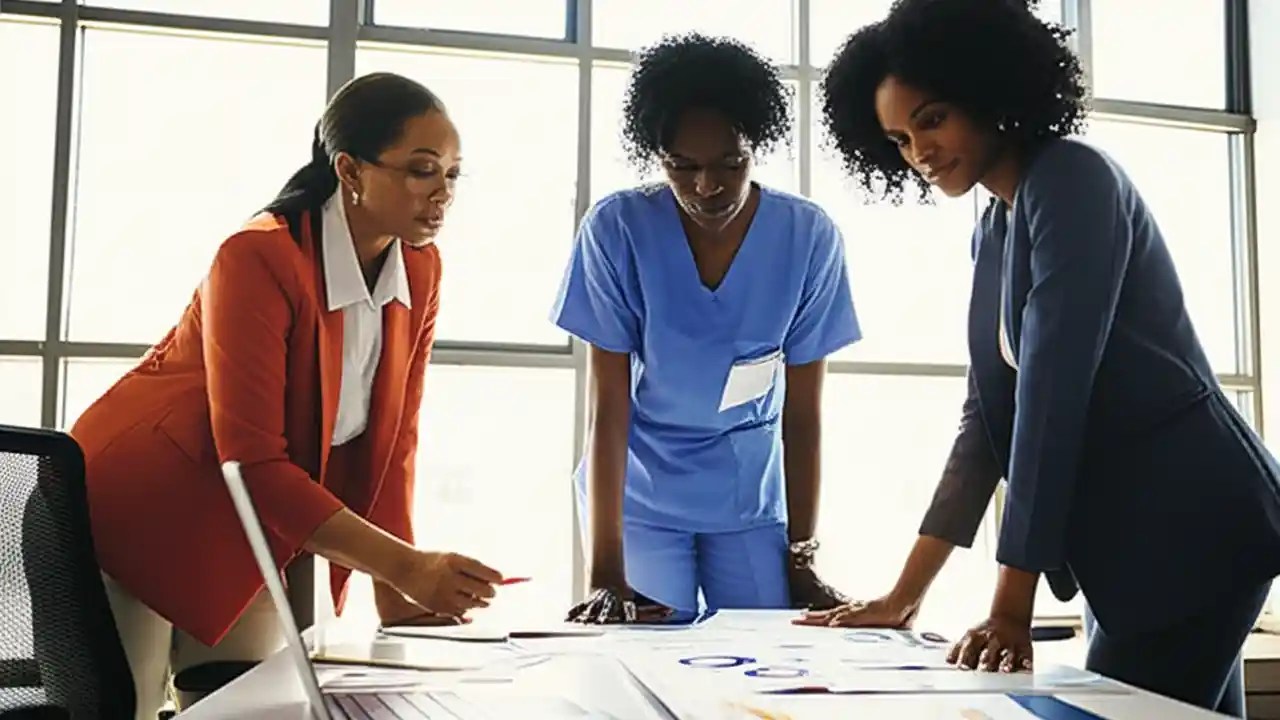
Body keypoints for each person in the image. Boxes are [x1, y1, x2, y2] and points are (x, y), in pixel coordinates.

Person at [793, 0, 1280, 716]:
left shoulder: (1074, 181)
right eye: (898, 138)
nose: (919, 152)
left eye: (932, 119)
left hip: (1191, 531)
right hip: (1135, 552)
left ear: (991, 94)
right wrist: (905, 594)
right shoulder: (994, 225)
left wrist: (1009, 606)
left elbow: (1053, 397)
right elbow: (985, 424)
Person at [71, 72, 507, 719]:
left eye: (452, 174)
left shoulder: (420, 265)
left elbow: (394, 441)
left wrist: (400, 584)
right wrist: (405, 565)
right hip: (139, 509)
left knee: (244, 707)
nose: (443, 193)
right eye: (422, 171)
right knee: (123, 706)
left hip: (248, 519)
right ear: (350, 171)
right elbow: (253, 459)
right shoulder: (259, 256)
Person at [552, 33, 862, 624]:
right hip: (640, 498)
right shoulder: (617, 229)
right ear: (657, 155)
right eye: (682, 166)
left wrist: (802, 556)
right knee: (649, 651)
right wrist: (605, 569)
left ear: (757, 146)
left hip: (747, 496)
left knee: (765, 657)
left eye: (730, 163)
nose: (706, 187)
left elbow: (804, 413)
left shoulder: (807, 238)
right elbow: (608, 406)